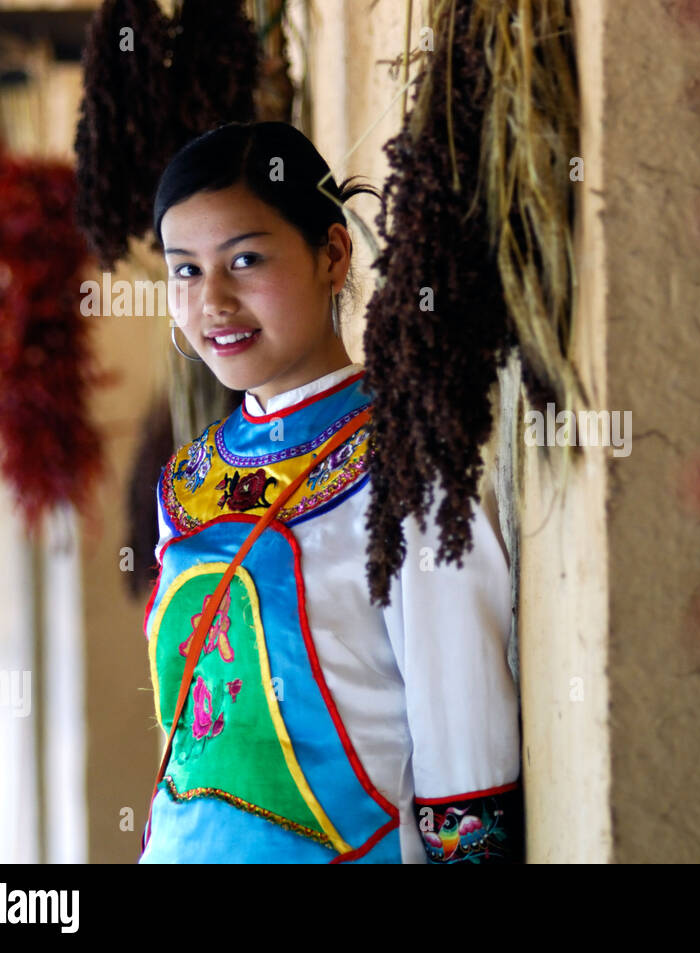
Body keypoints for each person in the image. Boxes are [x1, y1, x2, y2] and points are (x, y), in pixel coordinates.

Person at [139, 121, 521, 863]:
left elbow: (464, 741)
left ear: (333, 254)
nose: (212, 300)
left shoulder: (411, 461)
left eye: (245, 259)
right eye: (185, 270)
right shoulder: (187, 484)